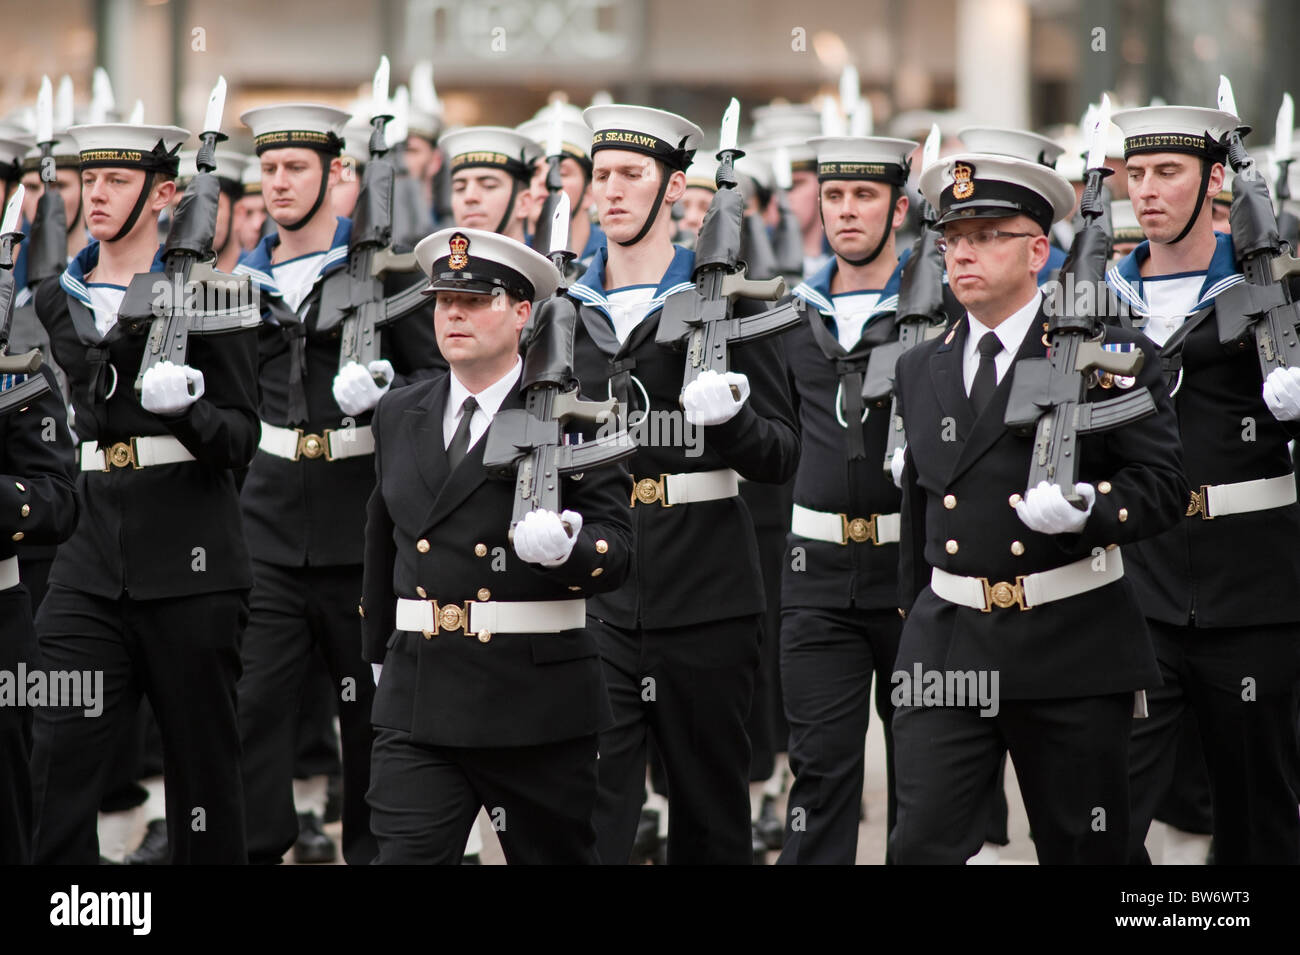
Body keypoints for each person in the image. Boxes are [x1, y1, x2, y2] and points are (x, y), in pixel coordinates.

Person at [888, 152, 1187, 864]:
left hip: (1069, 643)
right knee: (921, 844)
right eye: (953, 237)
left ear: (1037, 249)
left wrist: (1091, 506)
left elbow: (1163, 483)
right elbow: (919, 518)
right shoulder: (919, 365)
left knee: (1087, 850)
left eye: (988, 234)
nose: (964, 251)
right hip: (949, 644)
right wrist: (912, 633)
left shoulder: (1105, 352)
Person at [568, 104, 800, 864]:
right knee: (594, 813)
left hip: (706, 591)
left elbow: (779, 453)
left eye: (632, 175)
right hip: (598, 589)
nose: (612, 190)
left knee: (709, 816)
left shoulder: (726, 303)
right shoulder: (565, 307)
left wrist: (732, 421)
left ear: (675, 189)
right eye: (601, 175)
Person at [30, 119, 262, 864]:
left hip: (190, 566)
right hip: (84, 562)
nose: (96, 195)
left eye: (117, 182)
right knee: (55, 756)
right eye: (88, 180)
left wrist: (188, 411)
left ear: (165, 193)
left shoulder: (212, 293)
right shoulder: (47, 298)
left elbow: (241, 440)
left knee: (202, 776)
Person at [362, 226, 631, 863]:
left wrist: (570, 549)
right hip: (419, 694)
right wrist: (378, 659)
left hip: (533, 704)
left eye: (475, 300)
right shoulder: (400, 412)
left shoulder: (572, 416)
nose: (453, 313)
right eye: (443, 299)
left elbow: (617, 547)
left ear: (521, 313)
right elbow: (382, 542)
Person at [232, 103, 443, 865]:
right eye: (270, 168)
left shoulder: (388, 275)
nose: (279, 183)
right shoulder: (240, 283)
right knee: (252, 707)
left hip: (363, 531)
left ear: (339, 175)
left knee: (371, 721)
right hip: (266, 525)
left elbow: (443, 386)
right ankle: (259, 847)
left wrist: (390, 392)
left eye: (296, 167)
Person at [1107, 104, 1300, 864]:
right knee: (1105, 807)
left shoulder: (1278, 282)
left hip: (1253, 589)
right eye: (1137, 174)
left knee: (1260, 817)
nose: (1146, 191)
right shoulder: (1099, 297)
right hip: (1139, 588)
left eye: (1168, 173)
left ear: (1216, 180)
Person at [777, 134, 918, 864]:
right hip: (818, 577)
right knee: (822, 775)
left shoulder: (936, 307)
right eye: (834, 195)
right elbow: (770, 442)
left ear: (899, 206)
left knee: (921, 785)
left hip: (914, 573)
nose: (846, 210)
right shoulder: (790, 315)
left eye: (865, 195)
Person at [438, 126, 540, 243]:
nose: (470, 197)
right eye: (460, 188)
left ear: (523, 203)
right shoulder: (432, 261)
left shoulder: (551, 261)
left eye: (488, 185)